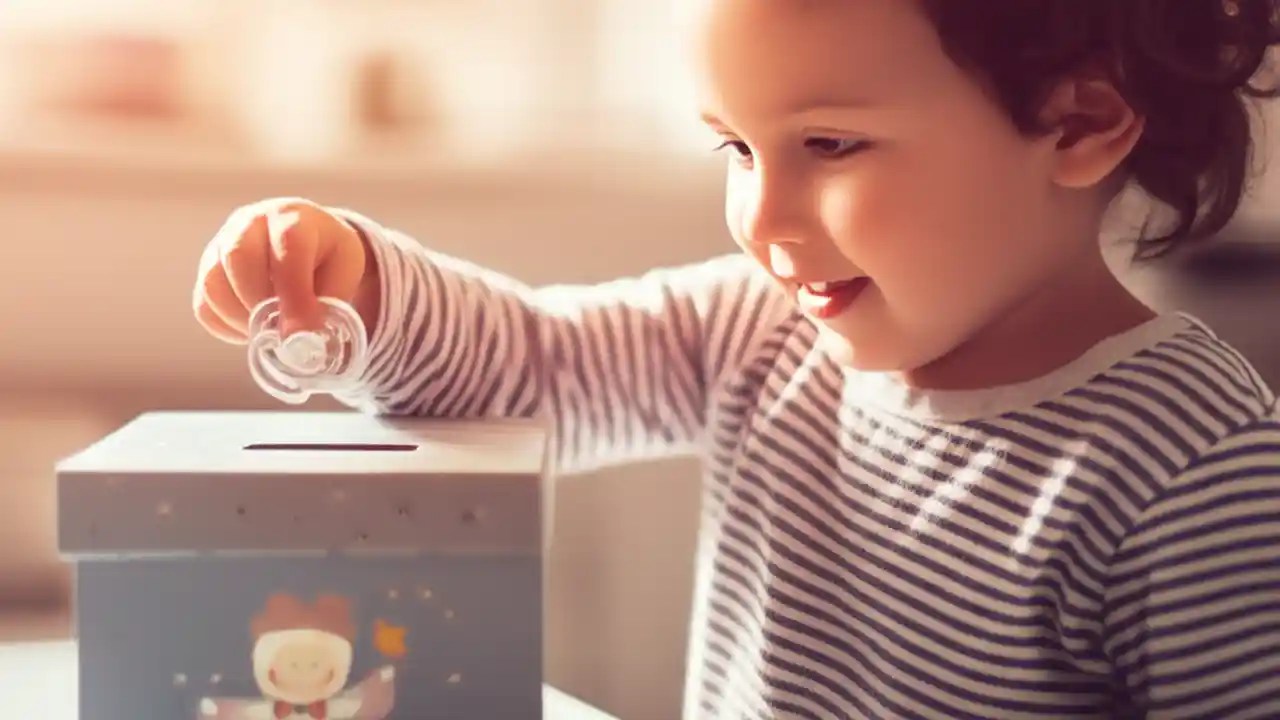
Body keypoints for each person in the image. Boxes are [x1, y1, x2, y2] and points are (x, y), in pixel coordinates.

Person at [192, 0, 1280, 717]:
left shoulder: (1191, 471)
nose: (761, 219)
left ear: (1078, 120)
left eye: (828, 144)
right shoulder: (758, 332)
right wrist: (359, 284)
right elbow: (528, 374)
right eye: (735, 148)